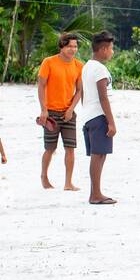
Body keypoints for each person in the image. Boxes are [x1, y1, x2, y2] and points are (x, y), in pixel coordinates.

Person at [35, 33, 84, 190]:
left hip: (68, 113)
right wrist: (44, 110)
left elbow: (80, 90)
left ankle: (68, 183)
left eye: (75, 46)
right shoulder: (49, 62)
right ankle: (44, 176)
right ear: (62, 46)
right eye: (69, 46)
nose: (73, 49)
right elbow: (41, 86)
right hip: (51, 113)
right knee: (50, 148)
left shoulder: (79, 66)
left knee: (70, 148)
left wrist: (71, 109)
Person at [76, 31, 117, 205]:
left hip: (89, 115)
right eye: (111, 48)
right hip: (98, 116)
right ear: (103, 49)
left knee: (98, 155)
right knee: (98, 155)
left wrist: (86, 112)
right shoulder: (99, 68)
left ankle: (96, 192)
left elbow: (84, 93)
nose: (112, 52)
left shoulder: (87, 66)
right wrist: (111, 122)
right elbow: (103, 97)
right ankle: (95, 194)